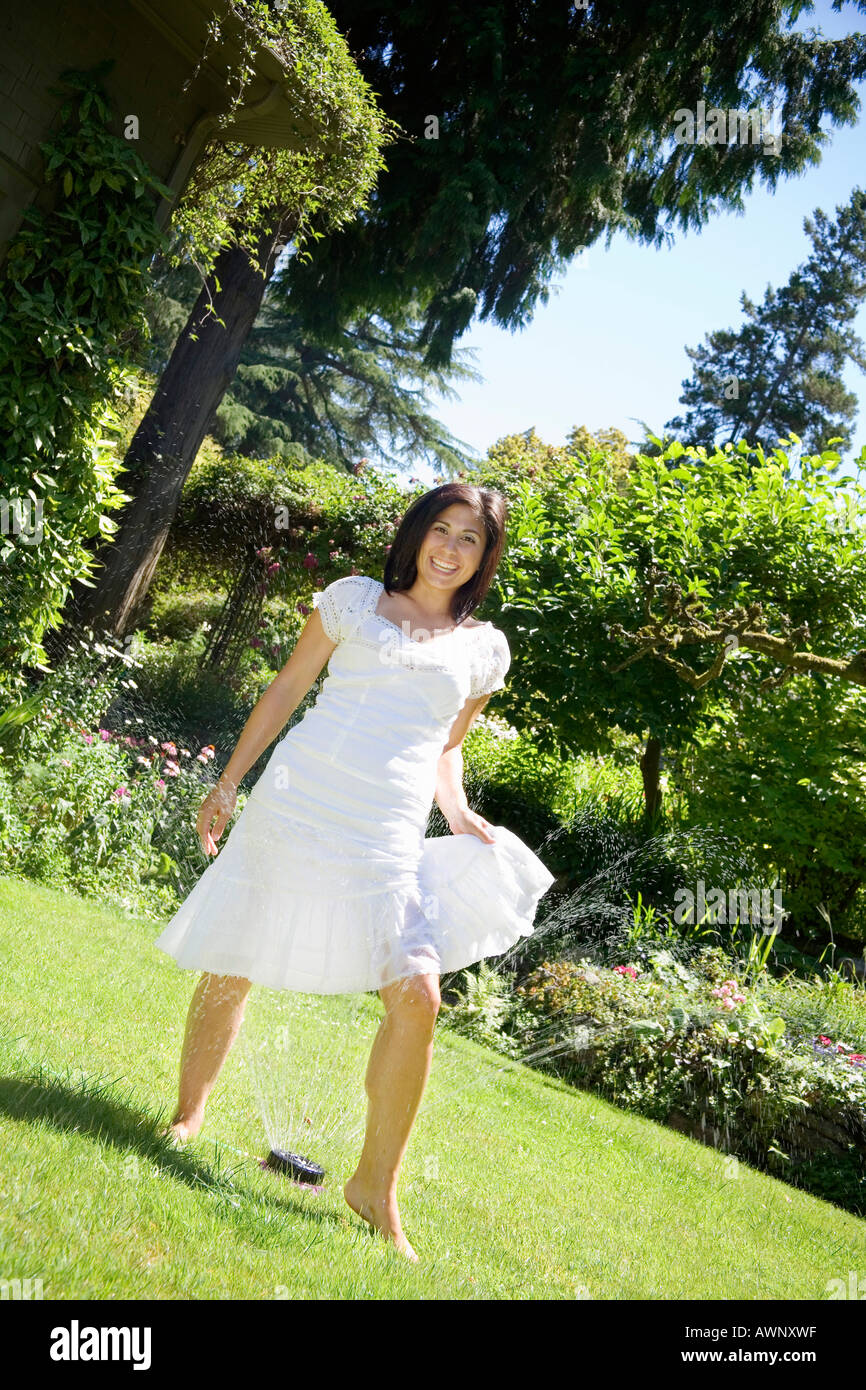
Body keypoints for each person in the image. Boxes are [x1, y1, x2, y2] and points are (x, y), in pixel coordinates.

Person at [154, 482, 554, 1262]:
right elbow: (288, 689)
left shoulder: (482, 649)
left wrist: (460, 811)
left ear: (484, 558)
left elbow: (447, 745)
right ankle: (188, 1117)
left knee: (418, 995)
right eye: (441, 529)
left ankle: (375, 1187)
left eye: (469, 539)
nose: (450, 547)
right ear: (416, 534)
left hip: (388, 831)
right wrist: (230, 780)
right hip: (300, 799)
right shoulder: (352, 601)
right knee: (237, 955)